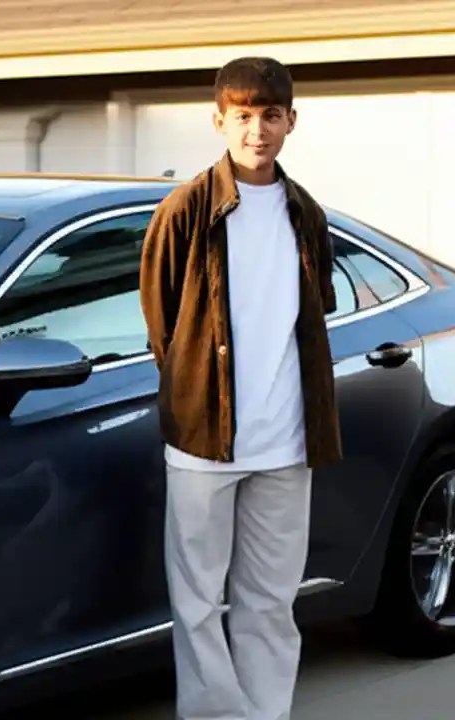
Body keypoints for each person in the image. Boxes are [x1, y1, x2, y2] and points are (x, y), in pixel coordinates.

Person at [138, 56, 343, 720]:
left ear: (291, 122)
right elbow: (161, 326)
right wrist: (196, 396)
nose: (258, 130)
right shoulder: (186, 210)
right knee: (197, 603)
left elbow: (312, 318)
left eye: (271, 116)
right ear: (220, 119)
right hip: (202, 442)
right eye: (245, 116)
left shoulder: (306, 214)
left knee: (270, 602)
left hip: (285, 443)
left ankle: (265, 714)